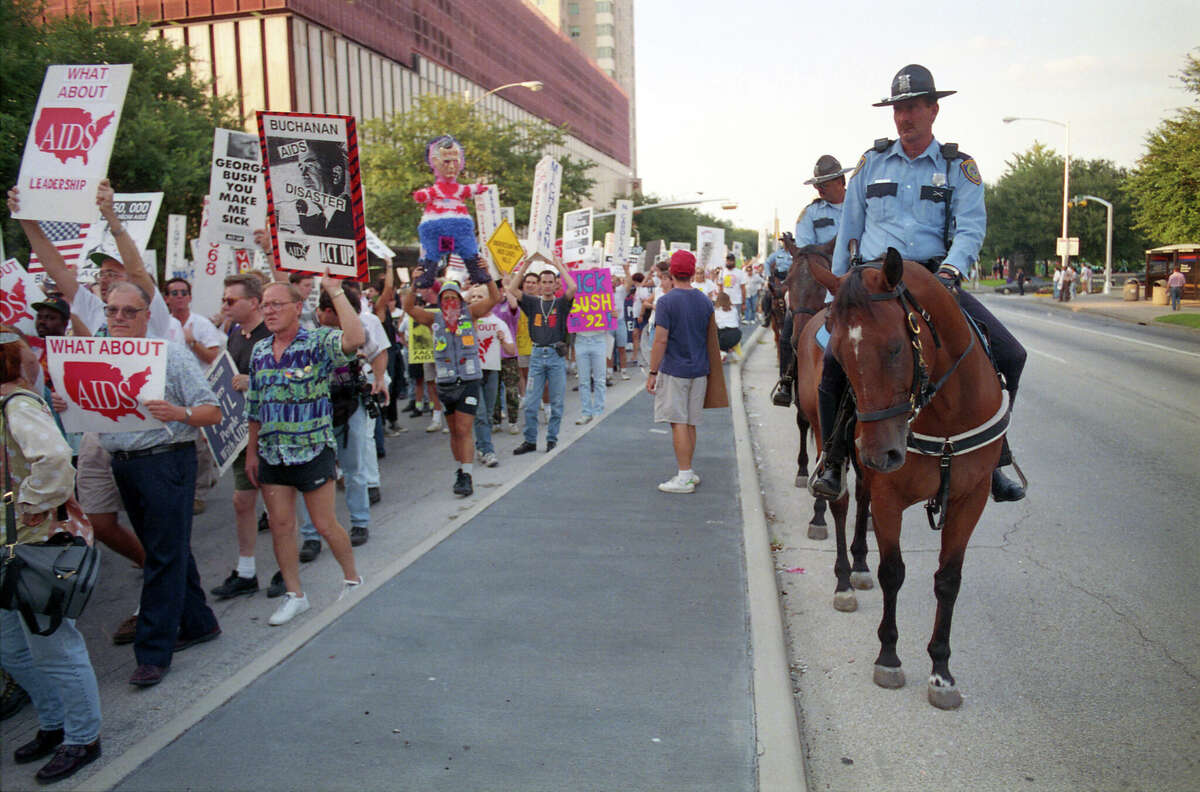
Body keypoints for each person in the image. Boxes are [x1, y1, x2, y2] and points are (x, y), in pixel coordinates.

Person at [816, 63, 1027, 503]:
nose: (905, 118)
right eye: (898, 110)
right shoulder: (870, 164)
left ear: (933, 110)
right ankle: (834, 458)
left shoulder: (959, 167)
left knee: (1009, 353)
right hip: (874, 284)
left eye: (913, 108)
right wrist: (837, 290)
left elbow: (969, 227)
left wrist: (951, 272)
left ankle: (997, 454)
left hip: (934, 281)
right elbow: (850, 228)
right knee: (834, 357)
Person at [95, 282, 224, 686]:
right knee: (165, 548)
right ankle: (199, 622)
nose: (118, 318)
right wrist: (70, 402)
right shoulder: (99, 354)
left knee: (163, 556)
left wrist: (179, 411)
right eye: (112, 310)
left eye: (128, 311)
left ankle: (153, 652)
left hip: (166, 461)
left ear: (146, 315)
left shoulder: (168, 353)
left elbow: (212, 412)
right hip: (125, 462)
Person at [0, 329, 103, 783]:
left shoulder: (16, 404)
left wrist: (28, 501)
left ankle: (83, 737)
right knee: (14, 647)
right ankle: (55, 722)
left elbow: (57, 458)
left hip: (33, 542)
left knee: (54, 646)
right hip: (11, 544)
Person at [245, 276, 365, 626]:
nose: (269, 311)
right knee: (282, 526)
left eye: (276, 304)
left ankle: (353, 579)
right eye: (265, 305)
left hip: (311, 449)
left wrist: (335, 290)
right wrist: (252, 452)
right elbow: (255, 405)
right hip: (272, 452)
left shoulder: (316, 341)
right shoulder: (260, 351)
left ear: (298, 308)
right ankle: (295, 595)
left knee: (325, 523)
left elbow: (355, 338)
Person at [402, 275, 501, 495]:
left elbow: (495, 297)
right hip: (445, 384)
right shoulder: (433, 319)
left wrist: (486, 277)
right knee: (455, 431)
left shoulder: (471, 313)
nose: (449, 302)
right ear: (439, 301)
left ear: (461, 300)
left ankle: (467, 475)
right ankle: (460, 470)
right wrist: (416, 283)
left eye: (453, 297)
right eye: (445, 298)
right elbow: (408, 307)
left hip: (468, 381)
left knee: (465, 429)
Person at [209, 274, 273, 600]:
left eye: (231, 301)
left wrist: (254, 382)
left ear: (254, 302)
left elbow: (291, 380)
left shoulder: (272, 336)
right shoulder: (234, 332)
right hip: (242, 432)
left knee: (278, 504)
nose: (225, 306)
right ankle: (246, 570)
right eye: (224, 300)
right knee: (242, 501)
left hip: (271, 433)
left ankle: (282, 568)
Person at [647, 251, 714, 494]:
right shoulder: (705, 300)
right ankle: (689, 470)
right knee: (691, 423)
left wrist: (653, 372)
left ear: (672, 272)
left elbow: (660, 340)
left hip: (675, 369)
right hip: (699, 369)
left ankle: (684, 474)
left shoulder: (666, 301)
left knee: (678, 423)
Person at [508, 258, 577, 454]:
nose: (546, 286)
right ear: (538, 286)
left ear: (556, 284)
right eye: (543, 282)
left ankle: (552, 439)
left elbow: (573, 286)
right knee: (530, 403)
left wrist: (558, 265)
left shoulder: (562, 303)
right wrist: (527, 263)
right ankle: (530, 441)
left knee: (556, 403)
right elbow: (512, 289)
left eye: (550, 282)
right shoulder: (532, 302)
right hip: (537, 355)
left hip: (555, 356)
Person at [467, 285, 515, 465]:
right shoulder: (465, 321)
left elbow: (511, 350)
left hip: (491, 371)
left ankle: (480, 446)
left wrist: (502, 339)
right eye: (474, 297)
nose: (476, 299)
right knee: (479, 415)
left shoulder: (498, 322)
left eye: (481, 296)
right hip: (471, 374)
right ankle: (488, 451)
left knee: (487, 414)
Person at [714, 292, 742, 360]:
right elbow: (737, 320)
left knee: (714, 339)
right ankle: (731, 351)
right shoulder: (734, 309)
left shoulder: (716, 310)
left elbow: (717, 325)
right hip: (737, 334)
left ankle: (723, 352)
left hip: (724, 335)